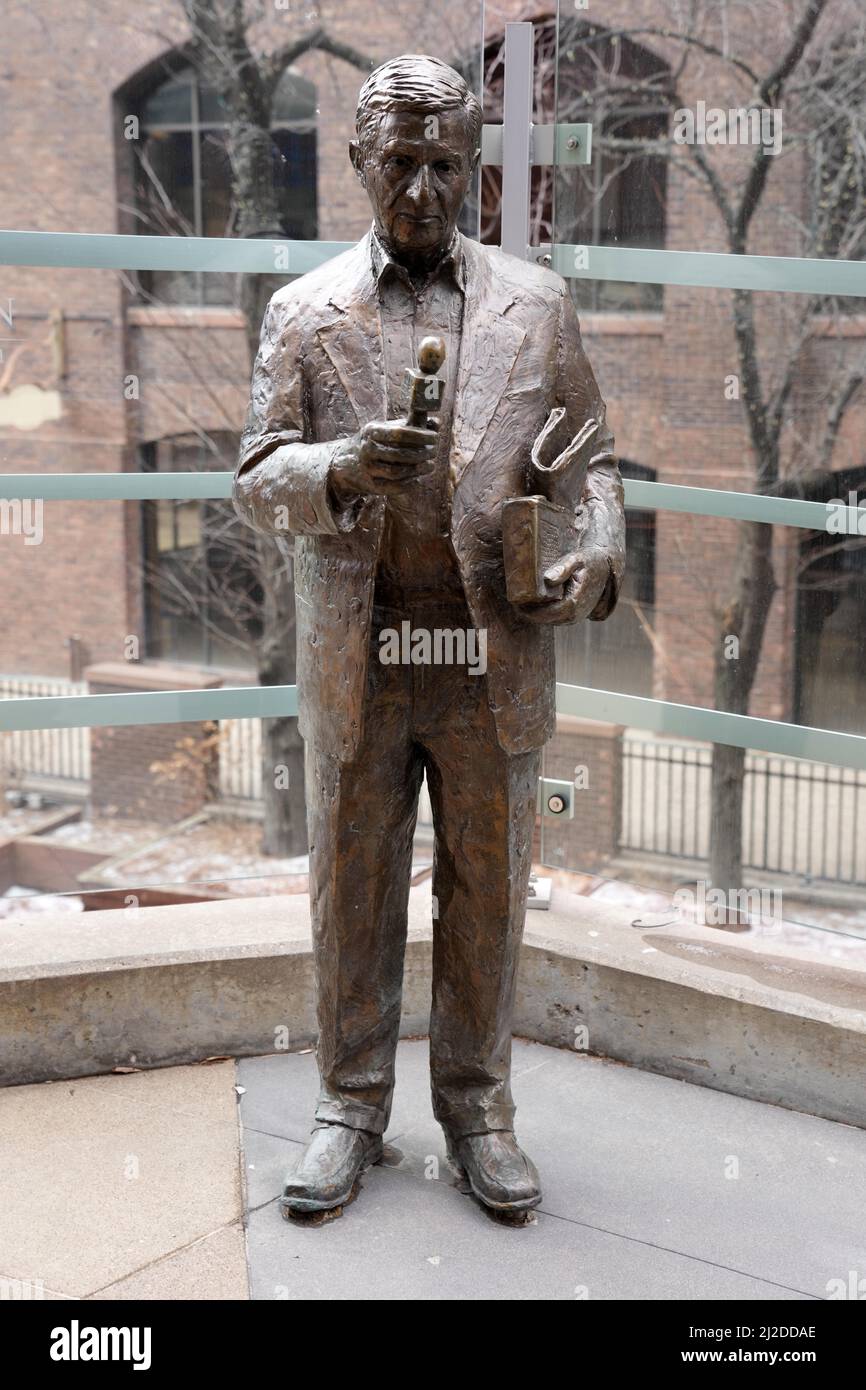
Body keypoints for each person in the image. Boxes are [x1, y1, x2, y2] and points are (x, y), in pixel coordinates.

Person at [233, 53, 626, 1220]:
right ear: (360, 161)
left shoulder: (535, 304)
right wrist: (340, 467)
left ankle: (478, 1108)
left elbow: (591, 460)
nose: (420, 188)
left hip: (487, 648)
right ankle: (348, 1105)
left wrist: (595, 550)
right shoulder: (303, 315)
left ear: (473, 174)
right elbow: (255, 479)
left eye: (443, 165)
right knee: (349, 892)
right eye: (398, 161)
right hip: (362, 650)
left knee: (488, 891)